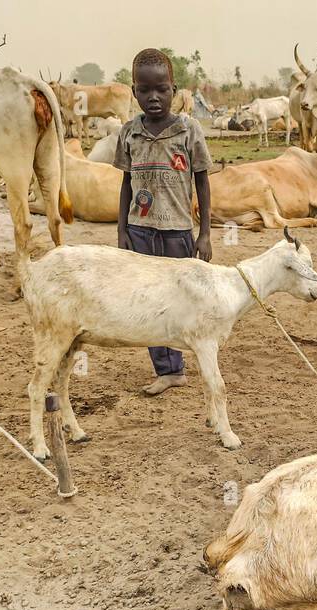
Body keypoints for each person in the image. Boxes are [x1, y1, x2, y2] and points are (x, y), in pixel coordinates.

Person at [114, 48, 213, 395]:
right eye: (144, 90)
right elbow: (126, 184)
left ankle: (185, 361)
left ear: (174, 89)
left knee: (180, 300)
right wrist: (122, 230)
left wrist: (205, 234)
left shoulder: (189, 130)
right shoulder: (129, 133)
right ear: (134, 91)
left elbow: (202, 181)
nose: (153, 98)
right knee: (148, 301)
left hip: (177, 230)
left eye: (162, 90)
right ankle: (167, 370)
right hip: (140, 230)